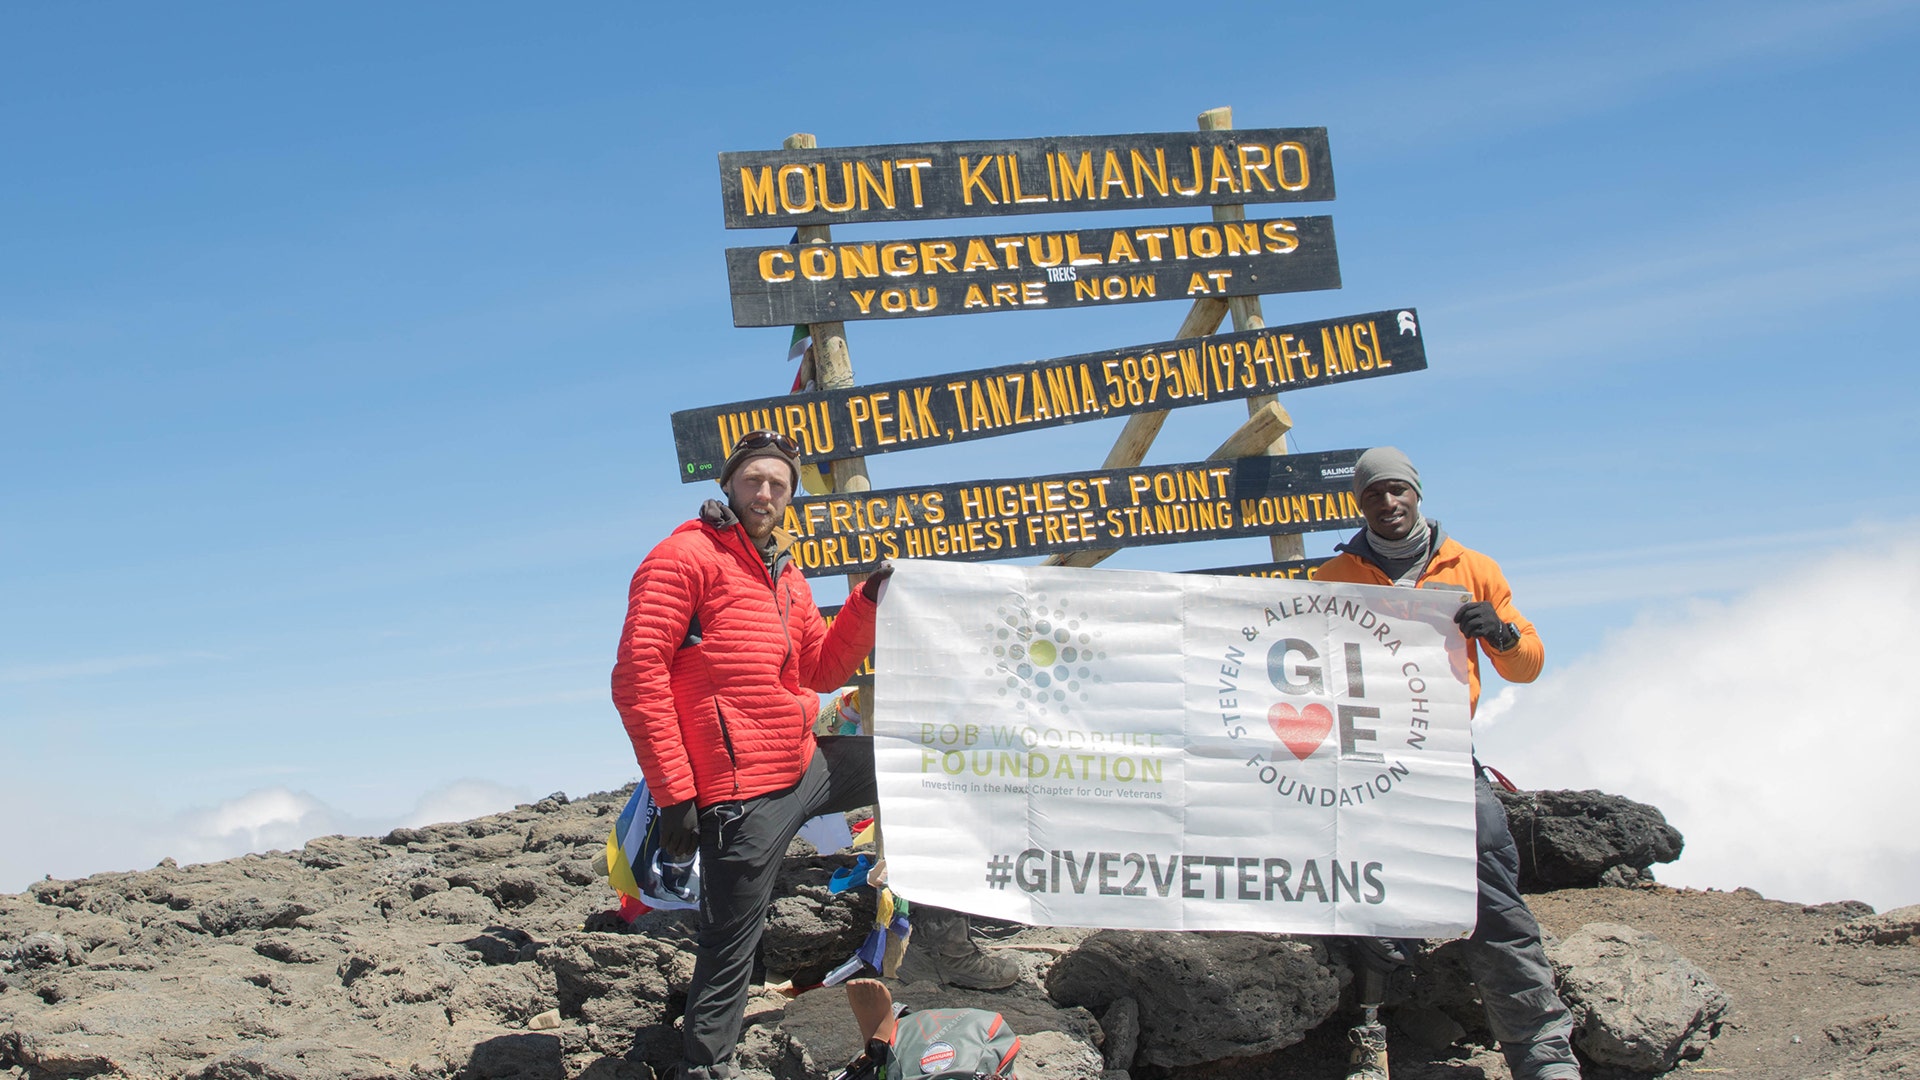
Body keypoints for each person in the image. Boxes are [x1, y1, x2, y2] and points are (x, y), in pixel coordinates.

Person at [611, 430, 889, 1079]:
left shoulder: (785, 577)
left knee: (914, 767)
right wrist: (677, 794)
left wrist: (867, 602)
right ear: (729, 485)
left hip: (801, 762)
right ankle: (707, 1066)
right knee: (730, 945)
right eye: (752, 480)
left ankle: (935, 943)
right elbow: (636, 676)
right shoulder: (685, 557)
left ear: (789, 497)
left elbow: (820, 669)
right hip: (736, 793)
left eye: (778, 484)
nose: (764, 492)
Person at [1313, 447, 1581, 1080]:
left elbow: (1530, 664)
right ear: (1360, 502)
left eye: (1398, 490)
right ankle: (1370, 1047)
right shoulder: (1332, 577)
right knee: (1365, 904)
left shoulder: (1473, 568)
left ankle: (1542, 1056)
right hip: (1362, 760)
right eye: (1375, 493)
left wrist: (1501, 633)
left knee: (1493, 895)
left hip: (1447, 758)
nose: (1389, 502)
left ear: (1418, 493)